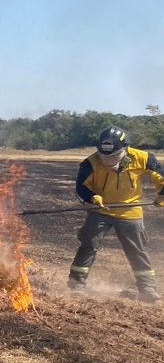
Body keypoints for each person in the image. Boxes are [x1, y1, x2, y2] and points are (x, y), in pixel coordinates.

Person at [68, 126, 164, 303]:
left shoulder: (143, 158)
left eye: (113, 156)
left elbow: (161, 177)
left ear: (125, 149)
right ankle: (77, 284)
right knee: (88, 244)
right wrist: (92, 196)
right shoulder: (90, 163)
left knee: (137, 249)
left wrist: (162, 194)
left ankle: (147, 287)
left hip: (130, 212)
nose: (108, 160)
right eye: (105, 155)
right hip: (100, 210)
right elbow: (81, 187)